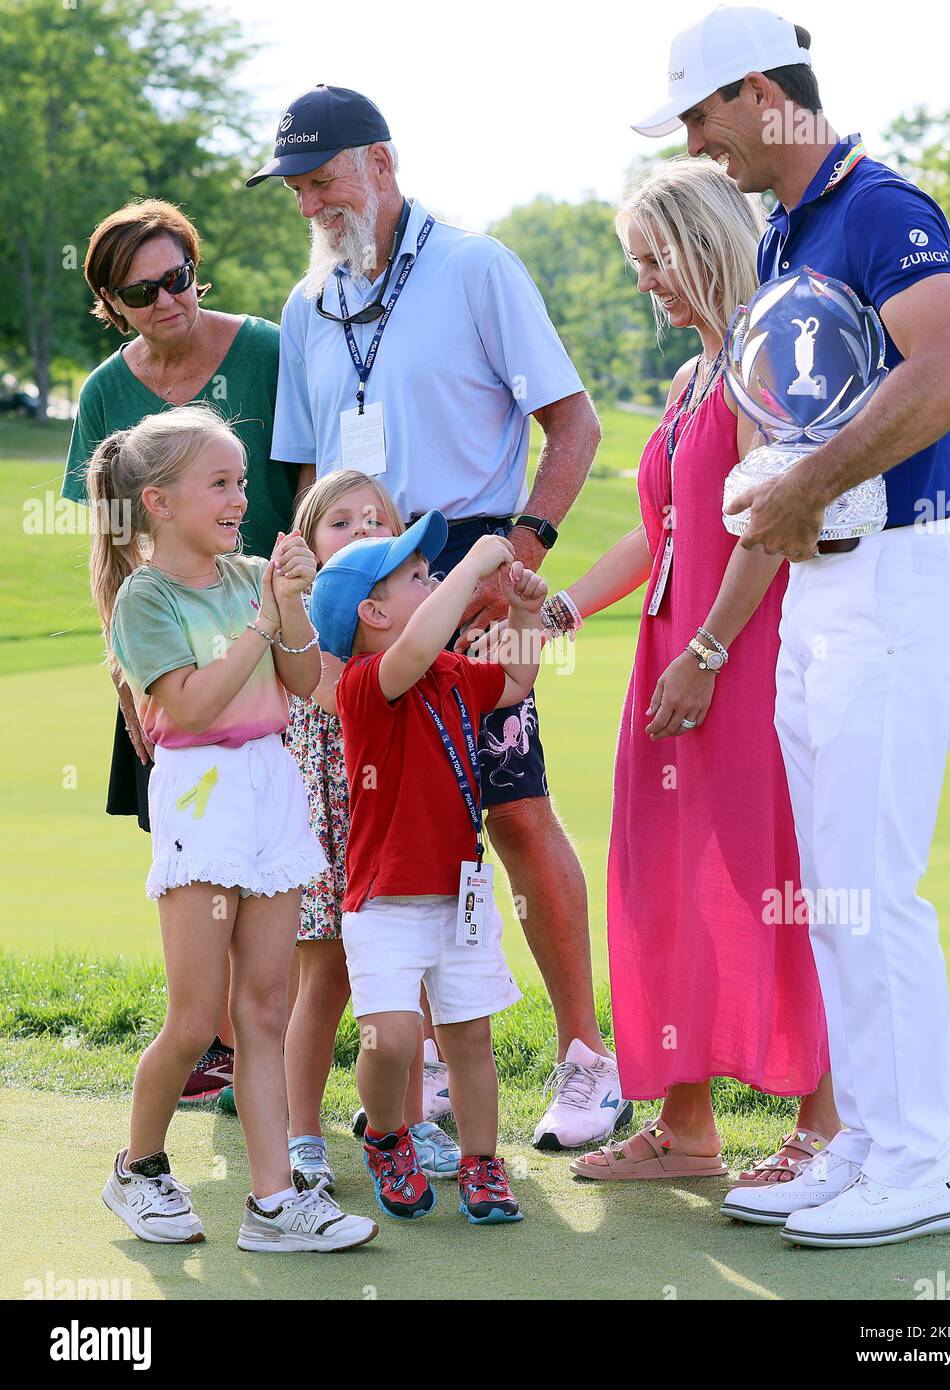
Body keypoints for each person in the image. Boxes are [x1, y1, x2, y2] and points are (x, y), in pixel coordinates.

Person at [633, 6, 950, 1246]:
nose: (696, 141)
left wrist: (804, 484)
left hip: (897, 575)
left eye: (699, 114)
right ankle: (865, 1146)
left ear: (754, 92)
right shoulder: (790, 227)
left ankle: (923, 1164)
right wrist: (784, 485)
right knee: (837, 892)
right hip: (832, 590)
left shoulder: (883, 206)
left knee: (875, 891)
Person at [247, 84, 628, 1150]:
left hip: (465, 567)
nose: (310, 200)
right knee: (376, 840)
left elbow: (575, 425)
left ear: (380, 162)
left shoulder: (474, 266)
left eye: (321, 177)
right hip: (355, 597)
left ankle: (584, 1059)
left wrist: (521, 561)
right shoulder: (304, 301)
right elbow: (307, 476)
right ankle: (424, 1076)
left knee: (513, 808)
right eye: (296, 186)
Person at [502, 159, 831, 1182]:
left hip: (736, 653)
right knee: (671, 884)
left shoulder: (766, 362)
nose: (646, 279)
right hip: (670, 654)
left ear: (707, 242)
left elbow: (771, 524)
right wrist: (561, 606)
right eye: (637, 261)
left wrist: (708, 652)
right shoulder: (692, 377)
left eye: (656, 257)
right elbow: (663, 532)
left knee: (777, 882)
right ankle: (687, 1132)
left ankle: (825, 1129)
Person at [87, 402, 375, 1252]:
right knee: (197, 1015)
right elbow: (194, 703)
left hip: (270, 786)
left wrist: (288, 603)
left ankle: (274, 1202)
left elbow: (294, 678)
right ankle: (137, 1168)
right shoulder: (143, 599)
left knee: (265, 1007)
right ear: (160, 503)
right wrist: (259, 618)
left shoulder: (254, 575)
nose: (240, 498)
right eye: (220, 482)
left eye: (243, 482)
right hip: (202, 795)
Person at [61, 198, 303, 1103]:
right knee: (196, 845)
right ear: (112, 306)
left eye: (179, 277)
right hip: (170, 647)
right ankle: (218, 1044)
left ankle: (275, 1052)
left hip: (272, 628)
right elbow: (111, 554)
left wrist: (297, 608)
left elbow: (310, 485)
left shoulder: (269, 351)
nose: (169, 300)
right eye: (143, 291)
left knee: (281, 859)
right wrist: (131, 686)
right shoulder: (104, 395)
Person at [309, 513, 547, 1222]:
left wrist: (528, 614)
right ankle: (386, 1134)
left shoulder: (449, 672)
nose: (435, 579)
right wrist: (475, 563)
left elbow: (511, 681)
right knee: (394, 1035)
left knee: (469, 1036)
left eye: (433, 572)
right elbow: (413, 647)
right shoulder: (364, 683)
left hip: (458, 896)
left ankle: (481, 1161)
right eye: (417, 577)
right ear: (372, 614)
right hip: (383, 901)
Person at [283, 469, 460, 1188]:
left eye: (375, 520)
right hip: (330, 829)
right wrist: (291, 592)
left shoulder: (412, 640)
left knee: (407, 981)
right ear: (310, 545)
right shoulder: (308, 637)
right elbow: (316, 682)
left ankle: (410, 1119)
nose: (361, 530)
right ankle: (301, 1135)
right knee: (322, 979)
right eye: (340, 522)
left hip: (394, 833)